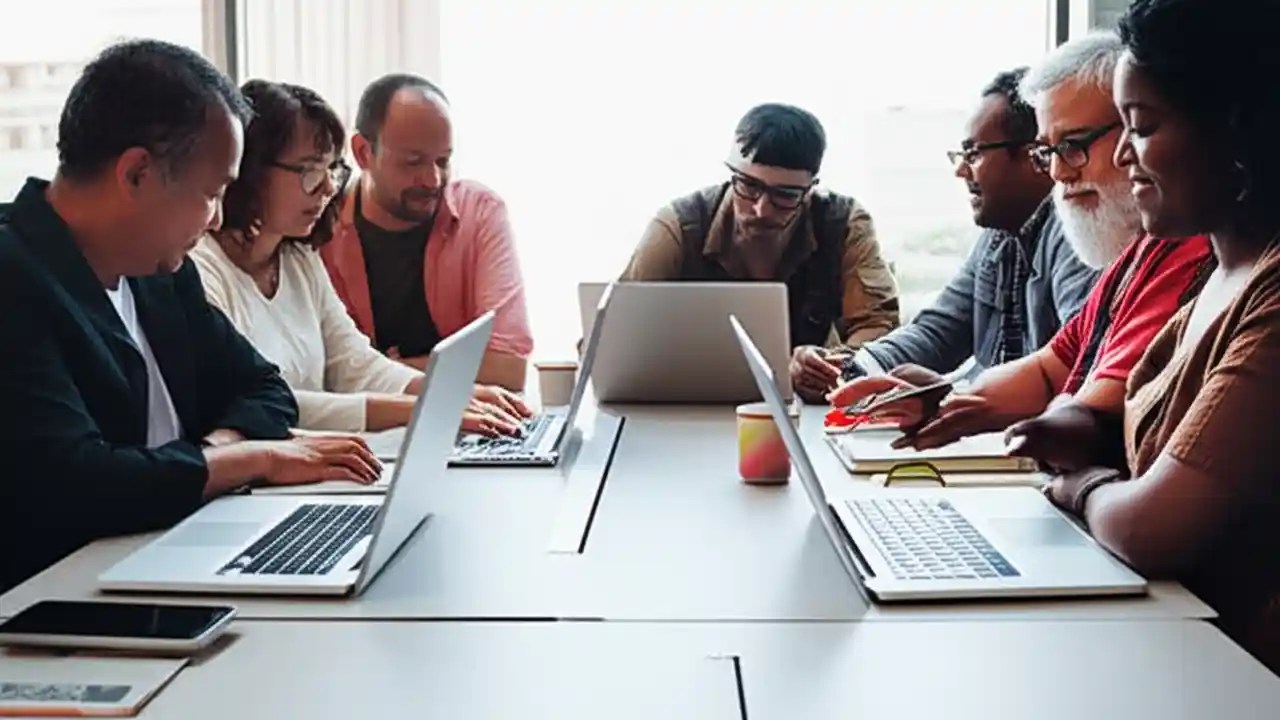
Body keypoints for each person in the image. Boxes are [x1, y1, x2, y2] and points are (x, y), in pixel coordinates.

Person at [0, 41, 381, 593]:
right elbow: (78, 481)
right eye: (212, 193)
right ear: (137, 173)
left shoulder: (159, 271)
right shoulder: (15, 277)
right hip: (61, 593)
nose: (218, 219)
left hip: (169, 550)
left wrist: (214, 452)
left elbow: (264, 386)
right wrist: (252, 460)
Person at [1006, 0, 1280, 674]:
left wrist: (1079, 486)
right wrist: (1082, 430)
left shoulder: (1269, 293)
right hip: (1180, 643)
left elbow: (1152, 529)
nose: (1124, 154)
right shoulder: (1220, 272)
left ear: (1236, 131)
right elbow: (1165, 423)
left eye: (1144, 126)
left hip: (1239, 671)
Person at [829, 32, 1212, 449]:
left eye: (1072, 145)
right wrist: (944, 403)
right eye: (1048, 151)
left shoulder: (1181, 249)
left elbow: (1092, 420)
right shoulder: (1136, 255)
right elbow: (1047, 371)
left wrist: (985, 413)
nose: (1058, 173)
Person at [191, 80, 528, 436]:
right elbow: (256, 403)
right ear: (251, 168)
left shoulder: (298, 258)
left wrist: (453, 394)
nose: (328, 188)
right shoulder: (201, 270)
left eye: (332, 170)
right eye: (310, 171)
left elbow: (356, 365)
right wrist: (426, 406)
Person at [790, 67, 1099, 403]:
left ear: (1033, 156)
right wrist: (847, 369)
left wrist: (954, 400)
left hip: (1017, 427)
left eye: (974, 154)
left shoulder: (1076, 236)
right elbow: (938, 331)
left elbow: (1079, 365)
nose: (961, 170)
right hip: (993, 423)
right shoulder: (999, 236)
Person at [619, 103, 900, 356]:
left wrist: (828, 367)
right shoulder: (681, 226)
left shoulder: (842, 225)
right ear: (732, 173)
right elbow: (619, 331)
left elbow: (878, 326)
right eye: (749, 186)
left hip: (806, 394)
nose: (762, 209)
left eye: (785, 195)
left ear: (810, 190)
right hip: (688, 388)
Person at [321, 74, 533, 391]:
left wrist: (379, 372)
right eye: (413, 162)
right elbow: (325, 377)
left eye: (443, 161)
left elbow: (508, 367)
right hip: (366, 421)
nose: (432, 179)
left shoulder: (479, 213)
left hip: (467, 416)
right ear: (363, 153)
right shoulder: (320, 229)